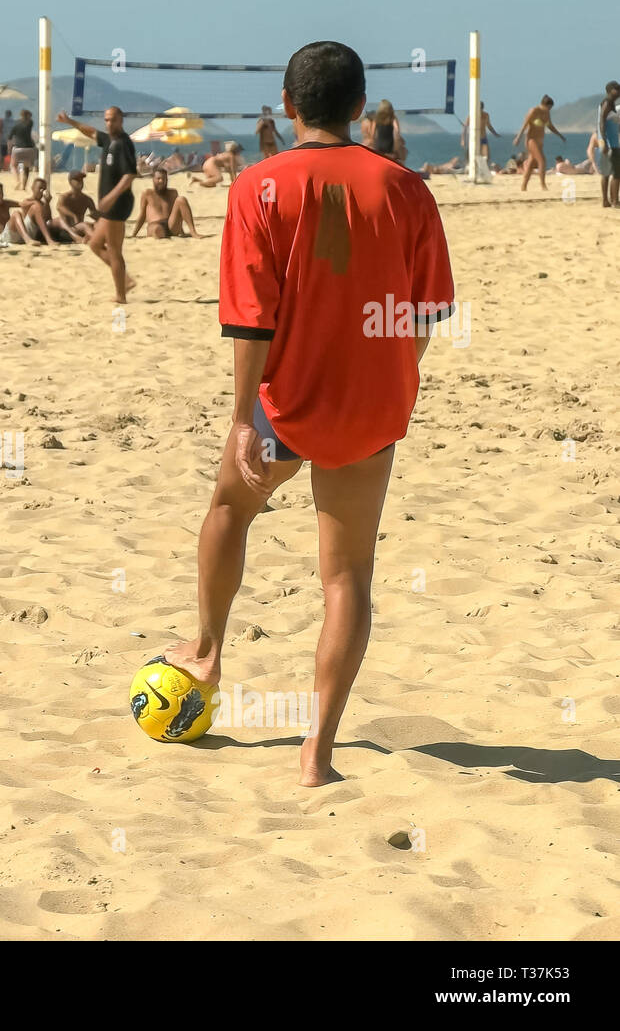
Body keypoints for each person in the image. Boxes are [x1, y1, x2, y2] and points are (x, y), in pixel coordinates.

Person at [161, 39, 453, 787]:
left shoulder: (257, 186)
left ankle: (206, 651)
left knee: (228, 509)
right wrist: (399, 376)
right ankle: (316, 754)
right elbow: (428, 312)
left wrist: (239, 419)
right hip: (370, 407)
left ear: (288, 107)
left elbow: (250, 318)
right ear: (360, 108)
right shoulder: (408, 189)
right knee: (347, 574)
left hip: (283, 404)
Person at [57, 106, 138, 303]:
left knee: (114, 250)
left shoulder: (123, 143)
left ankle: (121, 295)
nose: (109, 123)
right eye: (107, 120)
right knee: (94, 243)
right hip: (108, 206)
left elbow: (129, 175)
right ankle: (125, 279)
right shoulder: (109, 139)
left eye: (113, 120)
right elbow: (90, 132)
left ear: (121, 121)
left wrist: (111, 197)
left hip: (118, 204)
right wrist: (70, 122)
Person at [512, 95, 566, 191]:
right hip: (531, 140)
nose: (549, 109)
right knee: (542, 161)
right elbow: (524, 125)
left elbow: (550, 126)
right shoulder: (534, 111)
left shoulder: (547, 113)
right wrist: (518, 138)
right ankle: (543, 185)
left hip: (540, 141)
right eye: (549, 107)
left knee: (531, 164)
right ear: (545, 105)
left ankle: (523, 186)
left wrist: (560, 135)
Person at [132, 166, 201, 238]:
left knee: (181, 199)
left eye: (164, 179)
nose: (161, 181)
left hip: (170, 224)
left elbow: (178, 214)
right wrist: (134, 234)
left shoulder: (173, 193)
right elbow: (142, 215)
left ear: (167, 180)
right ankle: (160, 234)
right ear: (153, 179)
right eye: (158, 179)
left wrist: (182, 232)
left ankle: (193, 232)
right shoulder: (147, 193)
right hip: (155, 224)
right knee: (157, 229)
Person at [53, 171, 99, 243]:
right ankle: (96, 239)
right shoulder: (65, 197)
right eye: (77, 180)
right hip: (67, 230)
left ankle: (91, 237)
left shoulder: (87, 199)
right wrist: (73, 215)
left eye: (81, 180)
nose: (80, 182)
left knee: (96, 224)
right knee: (85, 225)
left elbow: (95, 215)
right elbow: (59, 207)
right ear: (70, 182)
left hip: (80, 229)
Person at [596, 81, 620, 208]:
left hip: (608, 143)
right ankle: (615, 201)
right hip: (611, 144)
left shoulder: (609, 104)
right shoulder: (607, 102)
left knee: (606, 172)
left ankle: (606, 201)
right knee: (616, 173)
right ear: (610, 90)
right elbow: (602, 122)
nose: (619, 91)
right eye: (617, 89)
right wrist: (604, 141)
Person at [8, 110, 37, 190]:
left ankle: (17, 181)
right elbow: (28, 120)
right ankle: (23, 186)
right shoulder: (30, 124)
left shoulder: (16, 126)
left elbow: (9, 138)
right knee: (26, 168)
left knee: (13, 166)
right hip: (29, 148)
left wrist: (9, 149)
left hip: (18, 149)